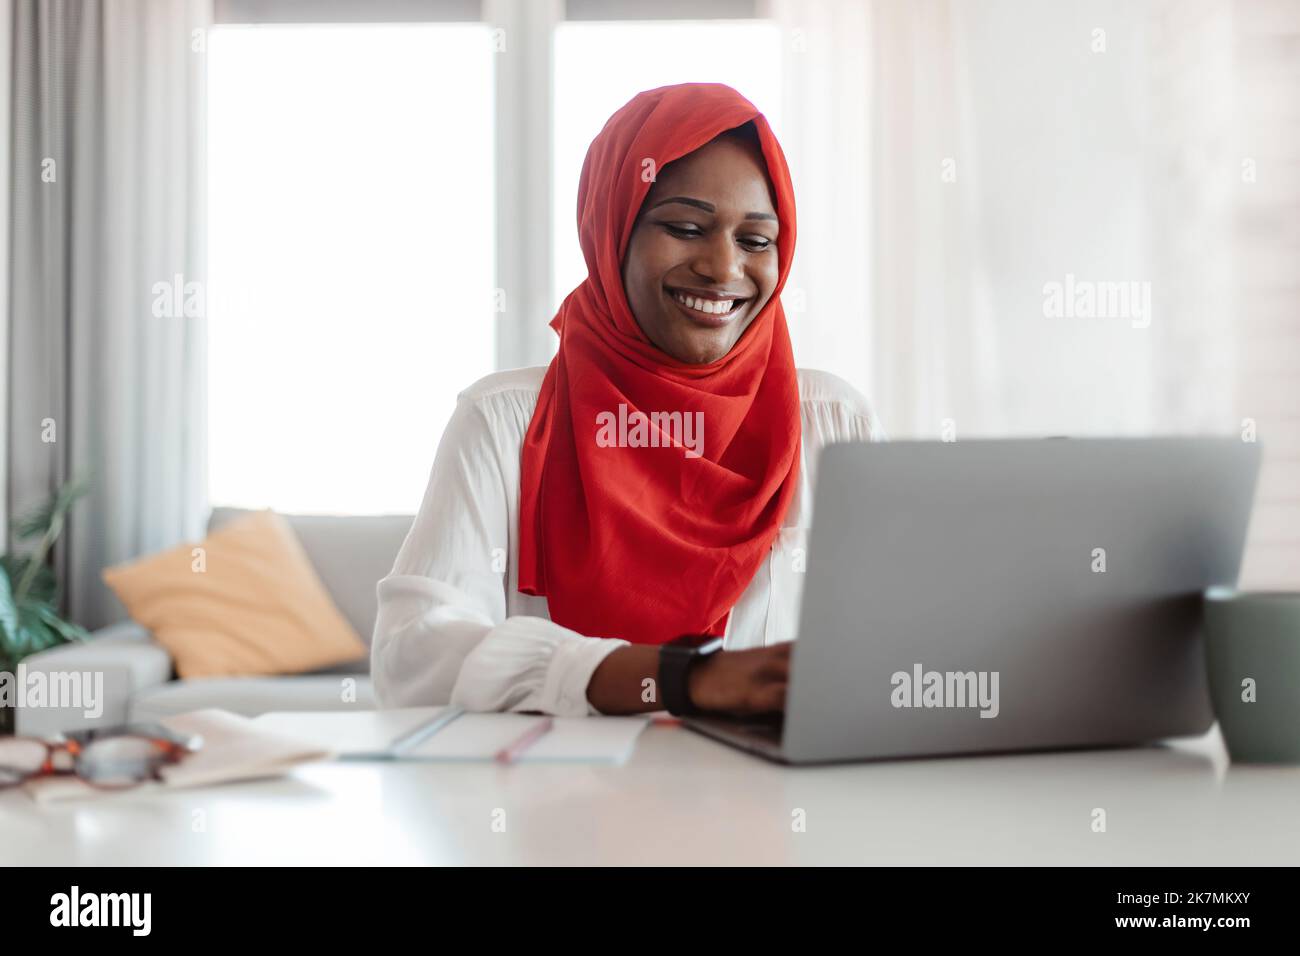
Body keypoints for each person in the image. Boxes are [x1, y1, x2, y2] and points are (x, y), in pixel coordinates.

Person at [372, 83, 881, 719]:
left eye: (756, 241)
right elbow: (412, 659)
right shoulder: (504, 423)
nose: (723, 267)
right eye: (686, 228)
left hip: (773, 806)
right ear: (610, 230)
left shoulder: (831, 422)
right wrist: (675, 679)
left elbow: (889, 645)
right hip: (557, 807)